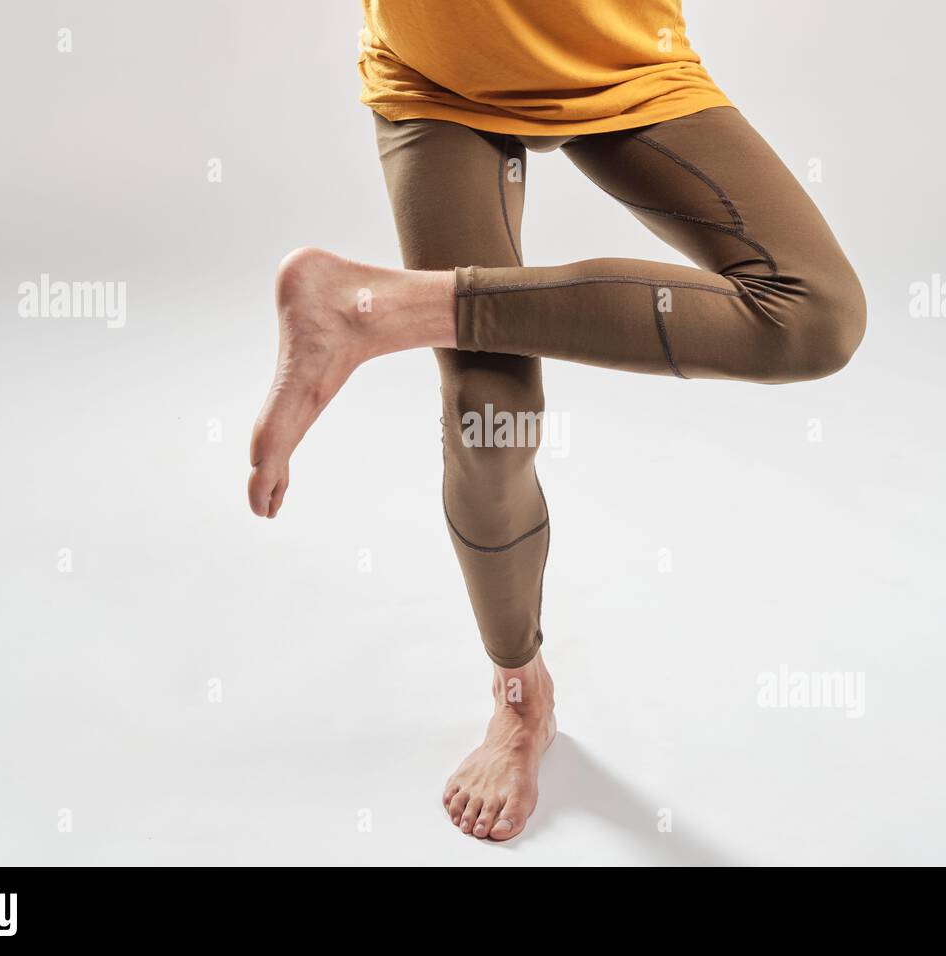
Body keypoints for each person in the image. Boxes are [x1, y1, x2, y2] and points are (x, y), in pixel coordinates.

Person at [248, 1, 865, 842]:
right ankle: (519, 699)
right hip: (440, 72)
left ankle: (379, 309)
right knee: (488, 427)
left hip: (618, 60)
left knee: (813, 315)